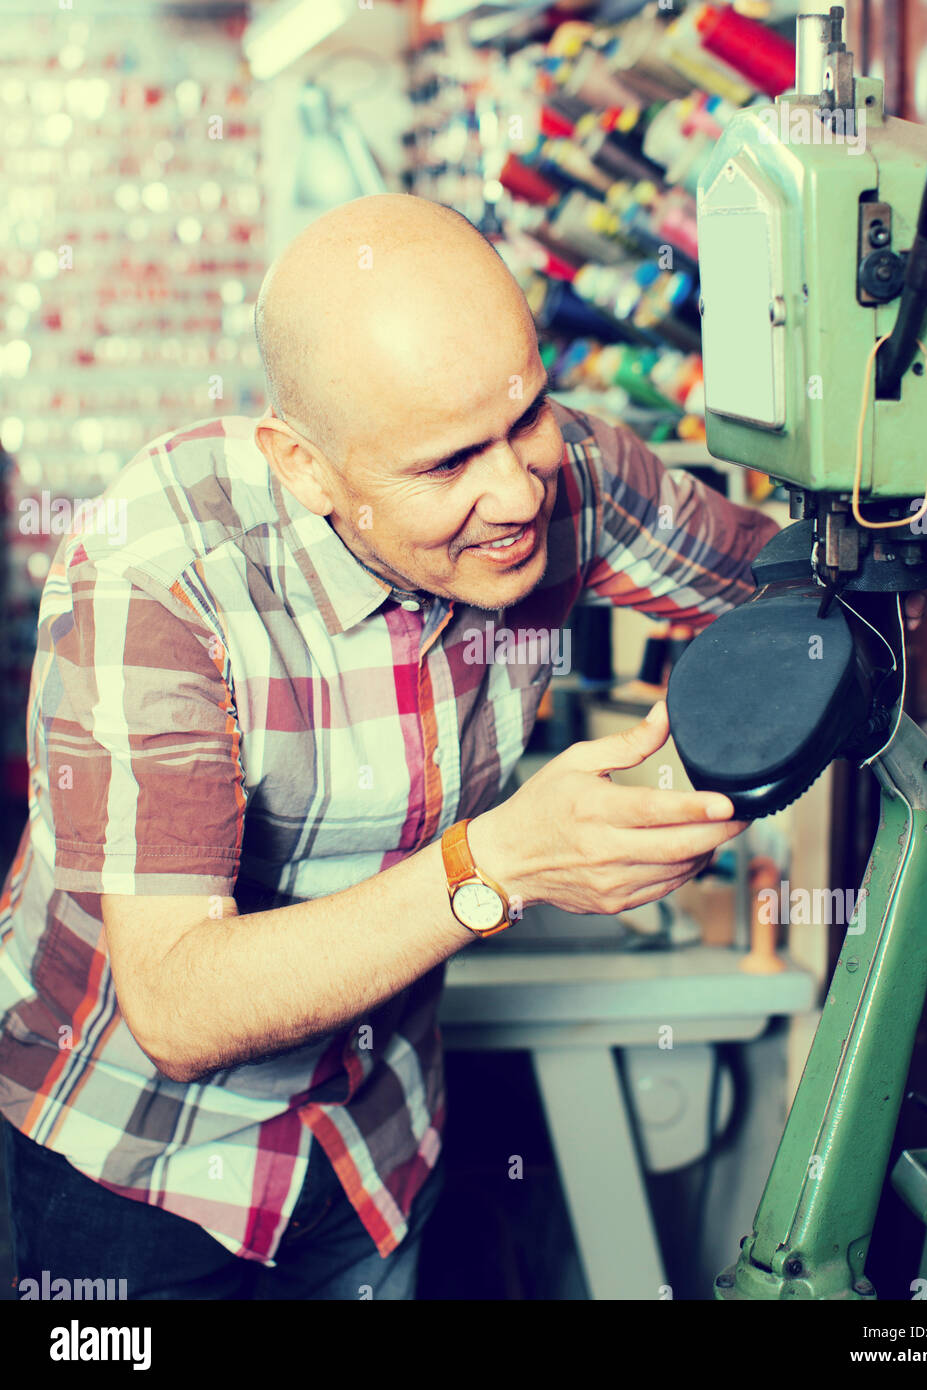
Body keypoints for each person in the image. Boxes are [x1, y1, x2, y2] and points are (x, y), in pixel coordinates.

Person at [0, 193, 775, 1300]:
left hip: (379, 1141)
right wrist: (501, 864)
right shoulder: (161, 578)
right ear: (306, 469)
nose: (516, 490)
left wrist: (699, 760)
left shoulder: (560, 476)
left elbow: (781, 601)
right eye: (448, 464)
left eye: (528, 414)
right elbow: (174, 1004)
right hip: (138, 1175)